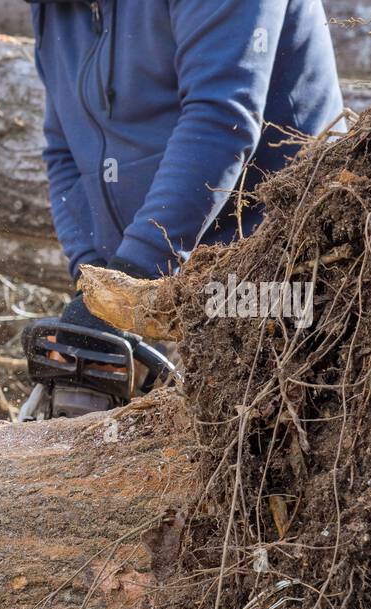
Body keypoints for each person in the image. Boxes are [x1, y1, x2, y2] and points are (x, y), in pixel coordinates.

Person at [20, 0, 344, 419]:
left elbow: (221, 118)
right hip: (173, 277)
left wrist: (130, 280)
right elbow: (63, 148)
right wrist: (93, 283)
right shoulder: (55, 7)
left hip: (286, 268)